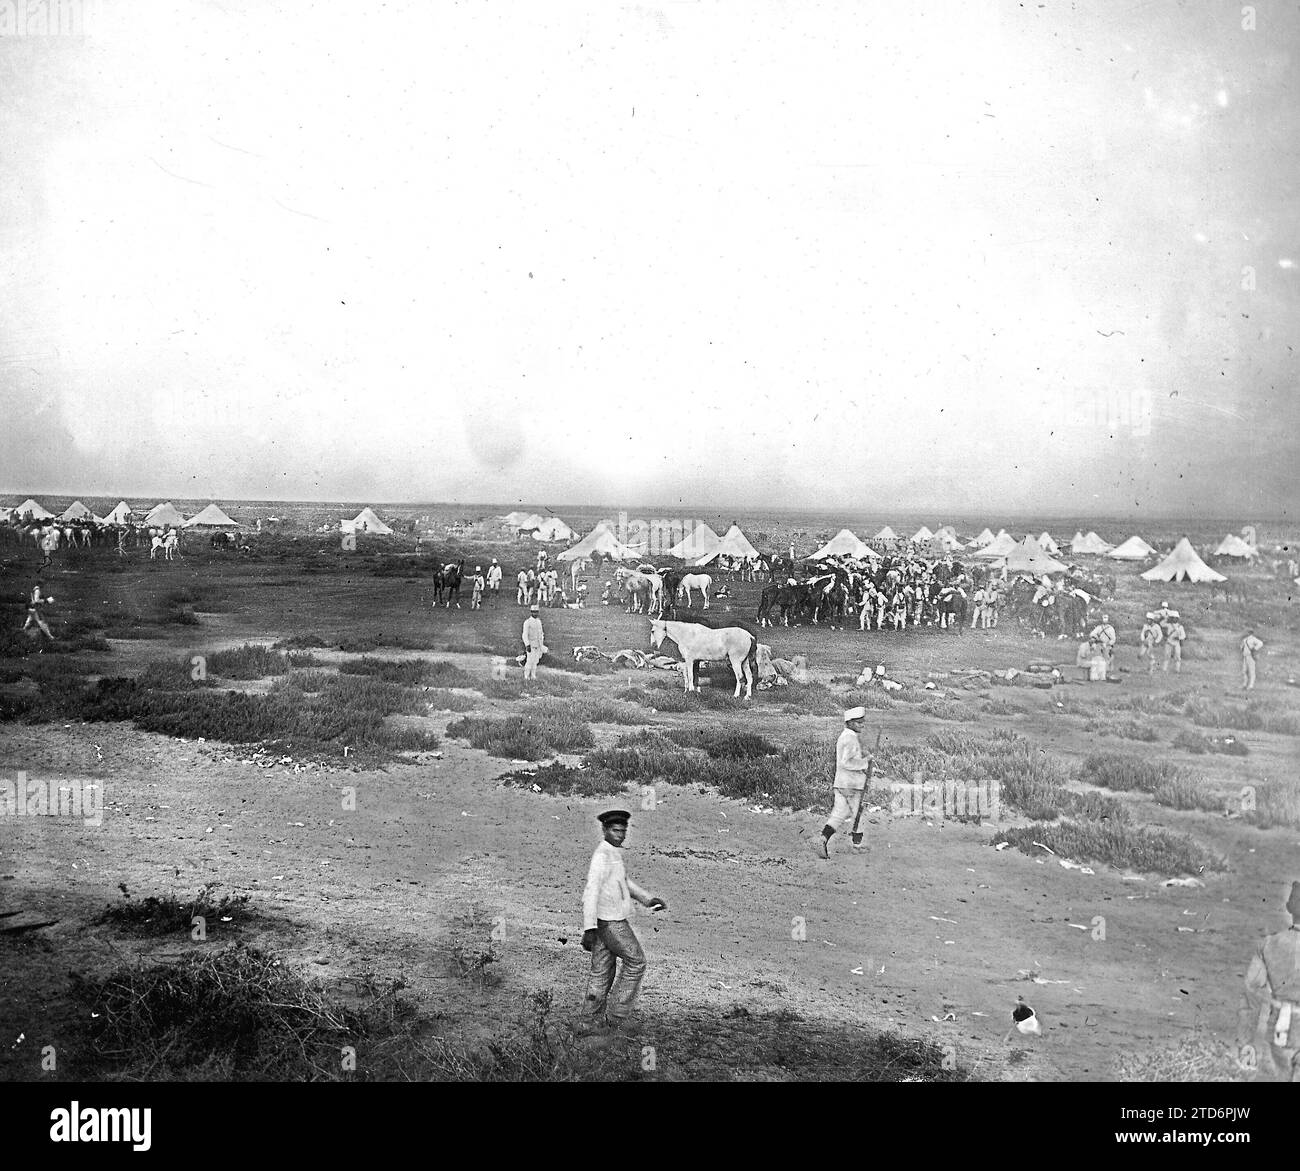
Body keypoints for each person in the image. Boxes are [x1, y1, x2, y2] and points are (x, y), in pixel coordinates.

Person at [580, 810, 667, 1034]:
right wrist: (589, 928)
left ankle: (589, 1022)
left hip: (604, 921)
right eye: (615, 831)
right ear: (605, 830)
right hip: (610, 922)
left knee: (601, 972)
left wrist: (647, 899)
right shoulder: (602, 856)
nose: (620, 835)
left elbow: (624, 882)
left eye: (623, 831)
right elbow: (591, 891)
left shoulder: (613, 853)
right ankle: (617, 1015)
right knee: (636, 961)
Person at [1235, 881, 1300, 1081]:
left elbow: (1251, 995)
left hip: (1282, 1029)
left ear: (1289, 907)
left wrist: (1247, 1042)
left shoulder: (1268, 945)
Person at [815, 707, 872, 859]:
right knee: (858, 813)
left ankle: (823, 838)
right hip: (851, 784)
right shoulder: (850, 738)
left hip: (841, 783)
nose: (862, 725)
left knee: (839, 813)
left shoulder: (845, 736)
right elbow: (847, 762)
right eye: (859, 723)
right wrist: (865, 762)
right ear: (850, 722)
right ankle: (856, 846)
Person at [522, 603, 546, 681]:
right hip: (531, 644)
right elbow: (525, 635)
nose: (535, 613)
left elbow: (541, 633)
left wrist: (541, 644)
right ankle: (526, 676)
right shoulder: (527, 622)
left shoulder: (539, 621)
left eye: (536, 612)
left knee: (535, 661)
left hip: (538, 644)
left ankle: (533, 675)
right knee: (529, 661)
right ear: (531, 612)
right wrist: (527, 644)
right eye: (534, 612)